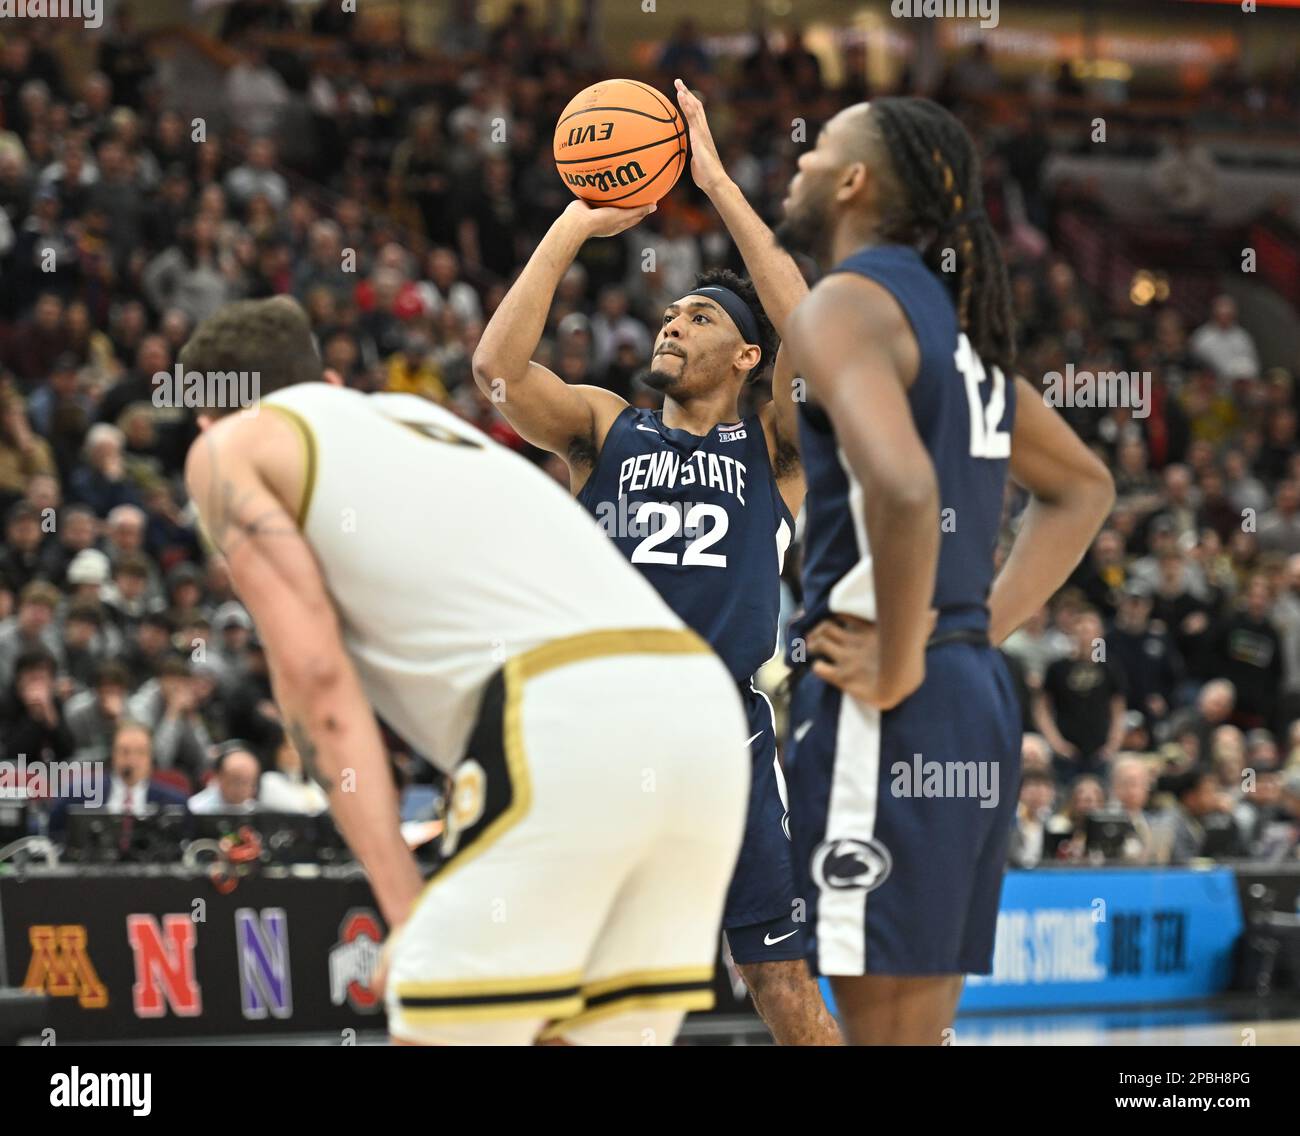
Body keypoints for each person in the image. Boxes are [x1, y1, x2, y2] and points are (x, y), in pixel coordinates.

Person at [178, 295, 749, 1046]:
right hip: (703, 718)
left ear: (207, 416)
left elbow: (316, 679)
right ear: (328, 385)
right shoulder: (422, 425)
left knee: (441, 1020)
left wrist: (405, 907)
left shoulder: (229, 447)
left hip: (568, 718)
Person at [470, 82, 835, 1045]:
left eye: (698, 319)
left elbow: (816, 336)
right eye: (668, 314)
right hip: (600, 724)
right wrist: (572, 224)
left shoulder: (776, 450)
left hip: (725, 737)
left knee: (781, 981)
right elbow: (497, 373)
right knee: (559, 981)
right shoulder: (604, 427)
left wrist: (713, 183)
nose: (671, 324)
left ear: (748, 356)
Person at [773, 95, 1114, 1044]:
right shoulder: (953, 330)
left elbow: (909, 488)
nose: (798, 163)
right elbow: (1083, 487)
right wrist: (975, 628)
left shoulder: (842, 304)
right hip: (968, 688)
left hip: (893, 695)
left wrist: (900, 660)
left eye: (819, 148)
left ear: (854, 182)